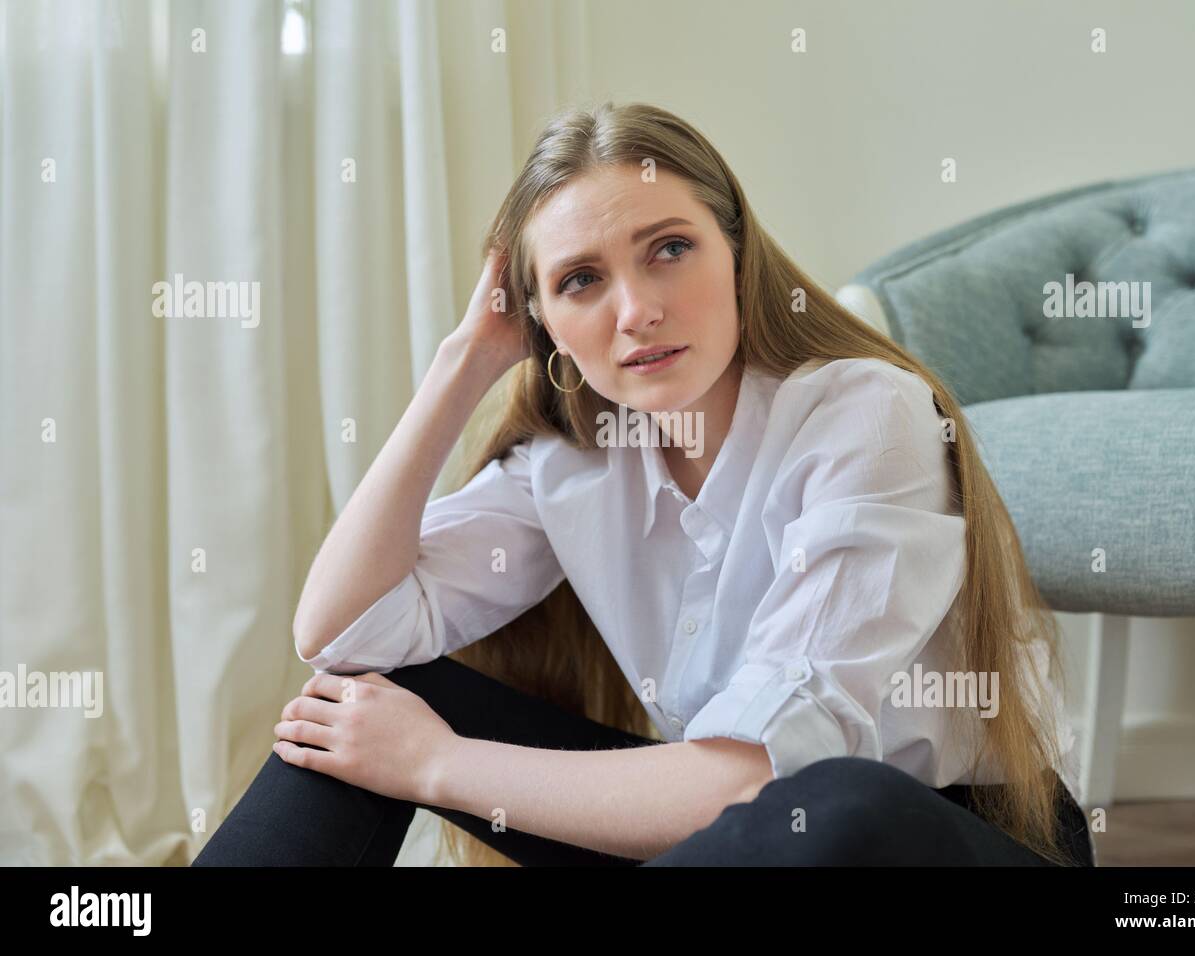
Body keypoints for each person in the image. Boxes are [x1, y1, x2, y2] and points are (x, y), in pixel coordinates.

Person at [193, 101, 1094, 867]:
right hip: (717, 839)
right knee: (360, 702)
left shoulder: (866, 415)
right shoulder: (576, 463)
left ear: (736, 251)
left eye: (668, 249)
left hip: (930, 839)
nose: (636, 311)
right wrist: (461, 365)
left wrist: (435, 767)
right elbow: (342, 631)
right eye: (581, 280)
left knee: (833, 801)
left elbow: (754, 777)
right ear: (541, 320)